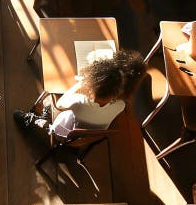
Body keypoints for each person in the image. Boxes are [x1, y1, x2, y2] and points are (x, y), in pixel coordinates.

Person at [13, 49, 147, 139]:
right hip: (90, 134)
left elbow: (59, 105)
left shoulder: (79, 102)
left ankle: (34, 121)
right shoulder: (121, 106)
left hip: (66, 131)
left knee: (50, 98)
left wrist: (81, 83)